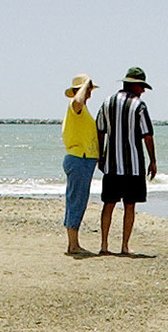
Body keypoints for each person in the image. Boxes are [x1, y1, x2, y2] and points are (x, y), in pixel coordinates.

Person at [96, 67, 157, 256]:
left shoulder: (107, 102)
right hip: (133, 166)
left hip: (112, 164)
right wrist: (153, 161)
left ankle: (104, 245)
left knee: (109, 204)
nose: (143, 91)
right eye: (142, 87)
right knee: (129, 205)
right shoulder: (139, 106)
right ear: (135, 85)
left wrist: (101, 154)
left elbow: (100, 130)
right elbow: (147, 135)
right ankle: (124, 246)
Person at [61, 73, 98, 256]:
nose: (90, 92)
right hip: (79, 159)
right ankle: (73, 244)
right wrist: (85, 85)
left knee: (77, 201)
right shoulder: (75, 106)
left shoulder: (83, 110)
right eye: (88, 89)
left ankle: (73, 243)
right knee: (76, 201)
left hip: (83, 159)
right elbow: (77, 102)